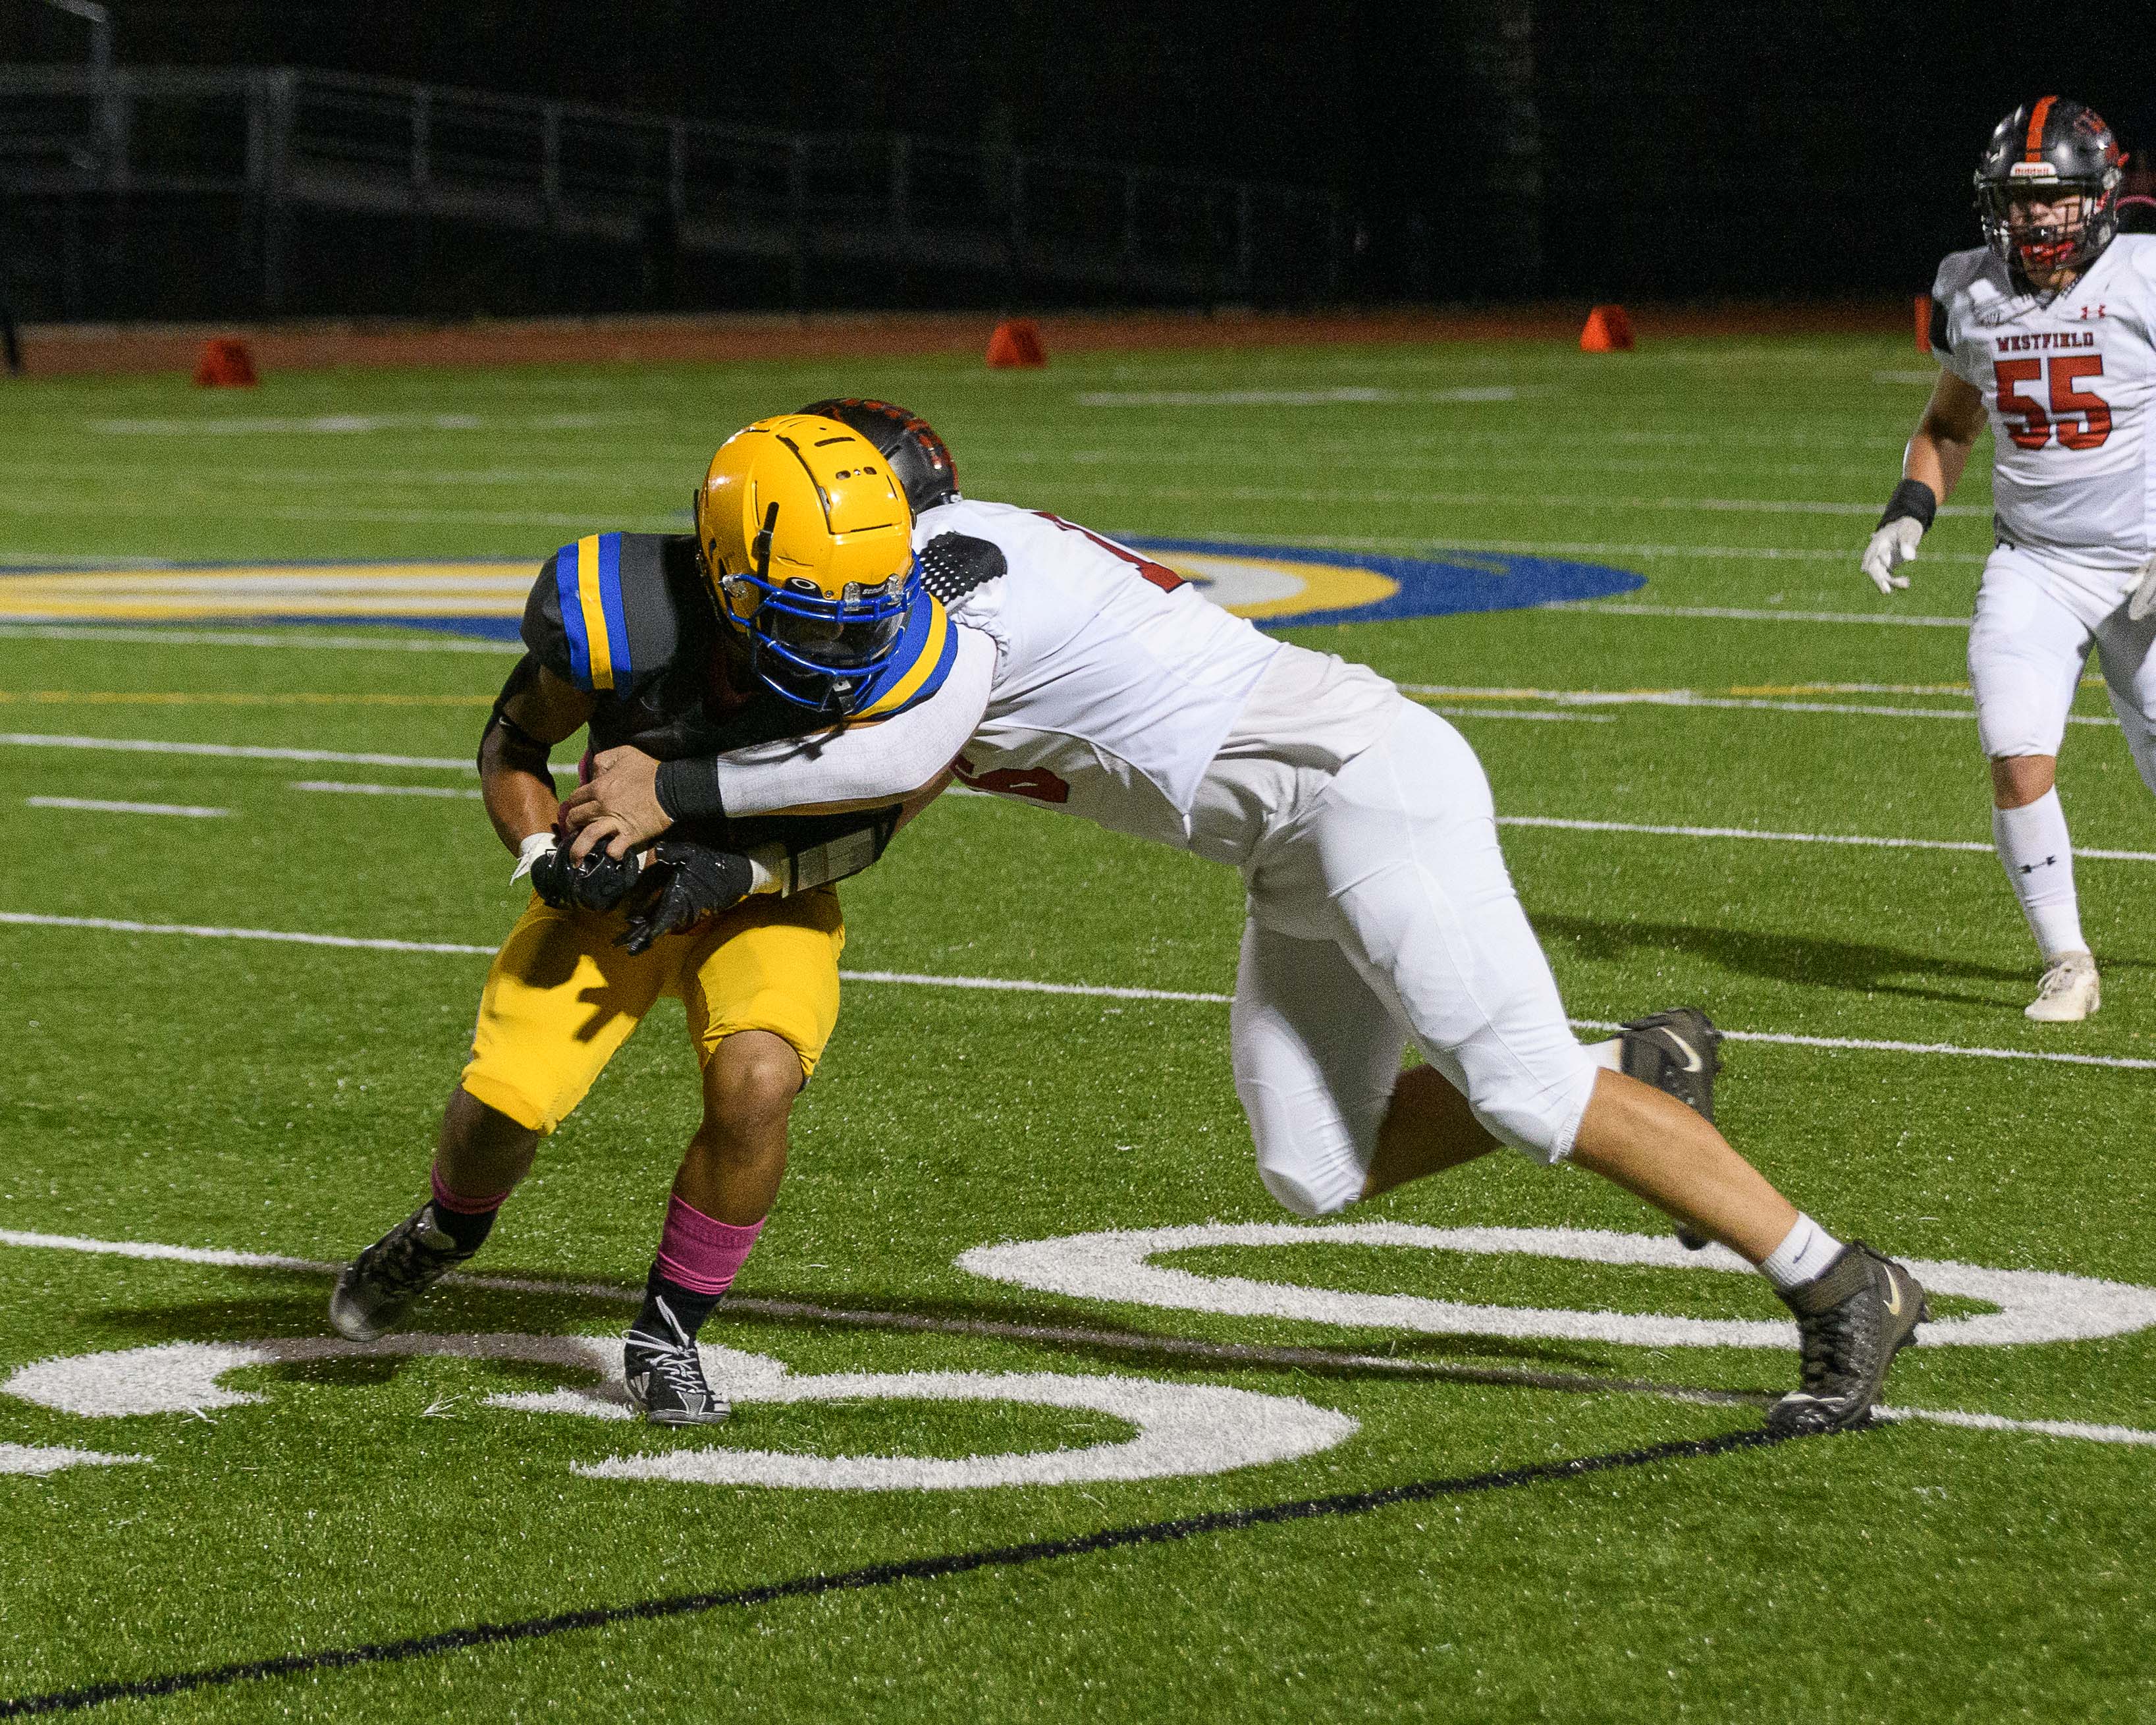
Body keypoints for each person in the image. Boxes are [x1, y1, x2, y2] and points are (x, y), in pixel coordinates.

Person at [564, 398, 1931, 1437]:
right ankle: (1642, 1078)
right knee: (1313, 1167)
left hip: (1366, 788)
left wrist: (677, 785)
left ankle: (1836, 1279)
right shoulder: (923, 601)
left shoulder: (967, 576)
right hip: (1285, 844)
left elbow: (883, 759)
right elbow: (884, 811)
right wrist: (742, 874)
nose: (850, 611)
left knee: (1518, 1085)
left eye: (859, 574)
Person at [329, 414, 951, 1425]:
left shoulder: (917, 647)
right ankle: (445, 1231)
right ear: (724, 572)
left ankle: (667, 1332)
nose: (839, 642)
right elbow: (512, 748)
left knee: (757, 1080)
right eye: (802, 612)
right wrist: (544, 860)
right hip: (617, 884)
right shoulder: (628, 618)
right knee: (504, 1109)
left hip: (774, 887)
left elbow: (876, 824)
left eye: (856, 610)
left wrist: (740, 868)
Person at [1863, 97, 2154, 1022]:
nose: (2030, 219)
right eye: (2015, 201)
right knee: (2014, 750)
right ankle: (2065, 957)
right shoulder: (1971, 288)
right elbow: (1950, 423)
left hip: (2146, 566)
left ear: (2101, 195)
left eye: (2052, 198)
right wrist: (1907, 510)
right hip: (2035, 563)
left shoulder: (2146, 277)